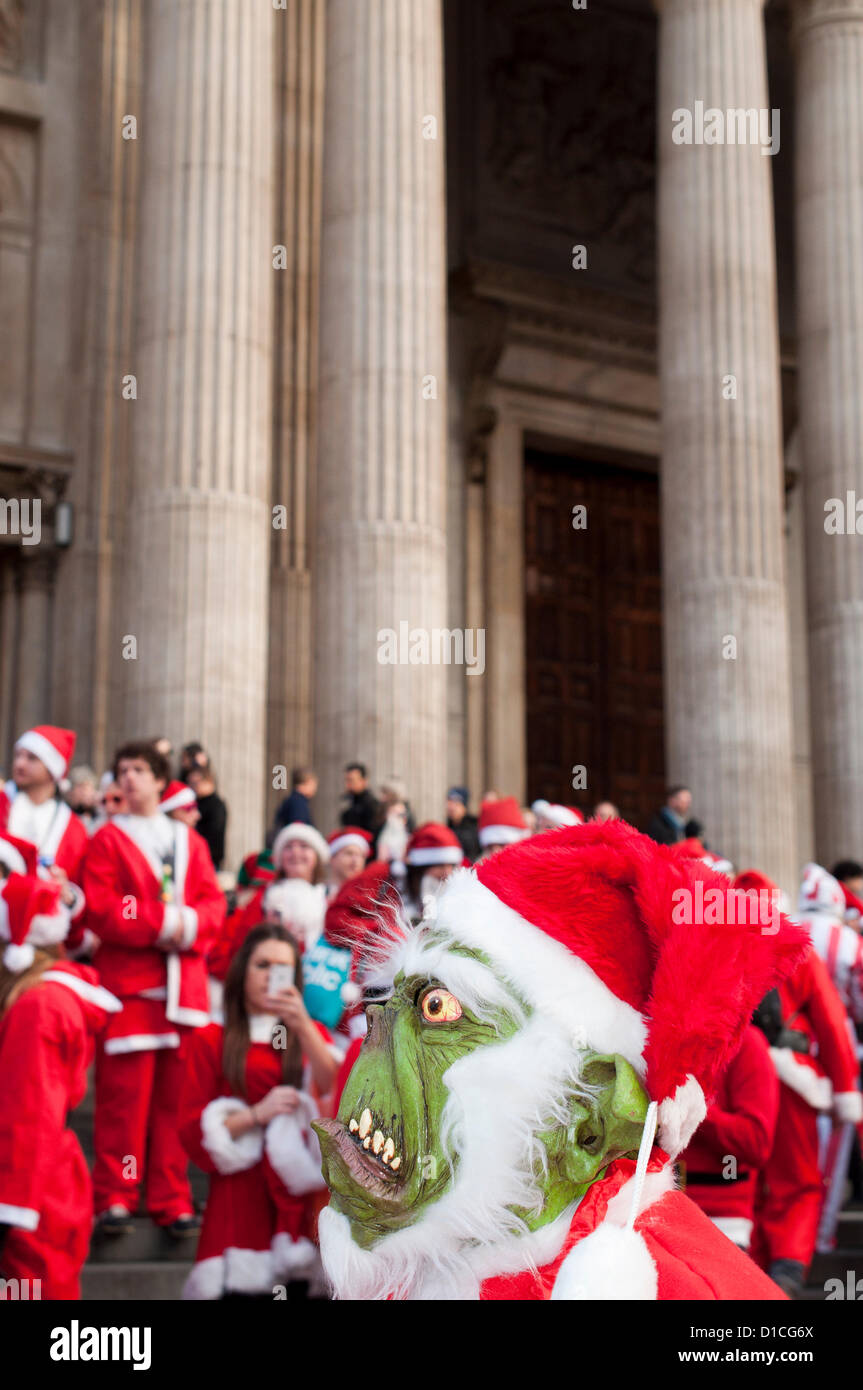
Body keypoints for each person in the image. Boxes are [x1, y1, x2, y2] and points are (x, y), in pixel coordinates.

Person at [315, 820, 806, 1300]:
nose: (377, 1024)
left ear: (586, 1126)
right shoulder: (431, 1266)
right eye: (390, 1000)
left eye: (438, 1007)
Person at [83, 741, 226, 1238]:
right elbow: (104, 908)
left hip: (182, 993)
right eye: (122, 770)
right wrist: (164, 922)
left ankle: (171, 1197)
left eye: (139, 769)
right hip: (130, 992)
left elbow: (212, 905)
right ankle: (116, 1194)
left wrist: (184, 924)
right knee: (122, 1103)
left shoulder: (190, 841)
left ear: (161, 780)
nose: (128, 778)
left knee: (174, 1107)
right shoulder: (107, 838)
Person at [180, 924, 338, 1299]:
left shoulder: (310, 1033)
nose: (271, 975)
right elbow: (191, 1129)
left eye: (282, 967)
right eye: (262, 965)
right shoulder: (210, 1038)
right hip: (240, 1204)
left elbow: (336, 1091)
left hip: (300, 1210)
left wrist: (302, 1026)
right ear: (242, 970)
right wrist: (256, 1115)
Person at [0, 834, 121, 1299]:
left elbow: (28, 1118)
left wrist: (10, 1213)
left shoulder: (39, 1006)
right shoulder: (43, 998)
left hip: (31, 1197)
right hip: (42, 1187)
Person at [742, 870, 863, 1296]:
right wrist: (845, 1090)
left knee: (745, 1177)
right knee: (797, 1181)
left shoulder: (716, 946)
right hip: (792, 1079)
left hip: (734, 1078)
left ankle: (750, 1267)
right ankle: (788, 1266)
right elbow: (831, 1022)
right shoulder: (797, 949)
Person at [680, 1023, 779, 1253]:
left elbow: (756, 1141)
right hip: (655, 1212)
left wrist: (696, 1108)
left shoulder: (747, 1043)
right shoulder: (658, 1035)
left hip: (722, 1222)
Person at [208, 823, 329, 983]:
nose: (295, 852)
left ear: (317, 856)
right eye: (288, 847)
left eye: (303, 846)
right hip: (273, 978)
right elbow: (242, 942)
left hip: (318, 978)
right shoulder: (265, 896)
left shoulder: (327, 898)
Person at [0, 725, 88, 933]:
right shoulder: (2, 805)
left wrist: (68, 895)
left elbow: (82, 891)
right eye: (18, 755)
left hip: (44, 937)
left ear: (52, 768)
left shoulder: (73, 828)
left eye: (32, 758)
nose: (20, 763)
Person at [400, 822, 465, 923]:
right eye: (440, 866)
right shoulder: (397, 894)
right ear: (421, 868)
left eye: (451, 866)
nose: (447, 872)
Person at [186, 763, 228, 871]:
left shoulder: (216, 805)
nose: (191, 787)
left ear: (208, 782)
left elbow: (213, 833)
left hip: (207, 860)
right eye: (190, 783)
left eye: (195, 783)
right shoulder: (196, 802)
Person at [326, 827, 372, 897]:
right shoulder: (316, 893)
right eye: (349, 853)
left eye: (361, 856)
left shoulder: (368, 897)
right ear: (332, 858)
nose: (356, 861)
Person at [340, 762, 381, 836]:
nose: (347, 784)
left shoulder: (372, 805)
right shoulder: (349, 802)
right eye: (346, 780)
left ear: (363, 781)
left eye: (351, 780)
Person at [273, 767, 318, 834]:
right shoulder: (298, 803)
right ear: (307, 782)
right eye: (313, 784)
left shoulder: (293, 800)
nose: (315, 789)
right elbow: (298, 831)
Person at [445, 787, 479, 863]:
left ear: (464, 806)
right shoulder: (447, 828)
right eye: (449, 802)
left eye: (456, 803)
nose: (452, 807)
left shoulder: (474, 827)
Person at [830, 859, 863, 928]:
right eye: (859, 878)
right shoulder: (841, 892)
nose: (861, 882)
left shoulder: (836, 889)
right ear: (848, 878)